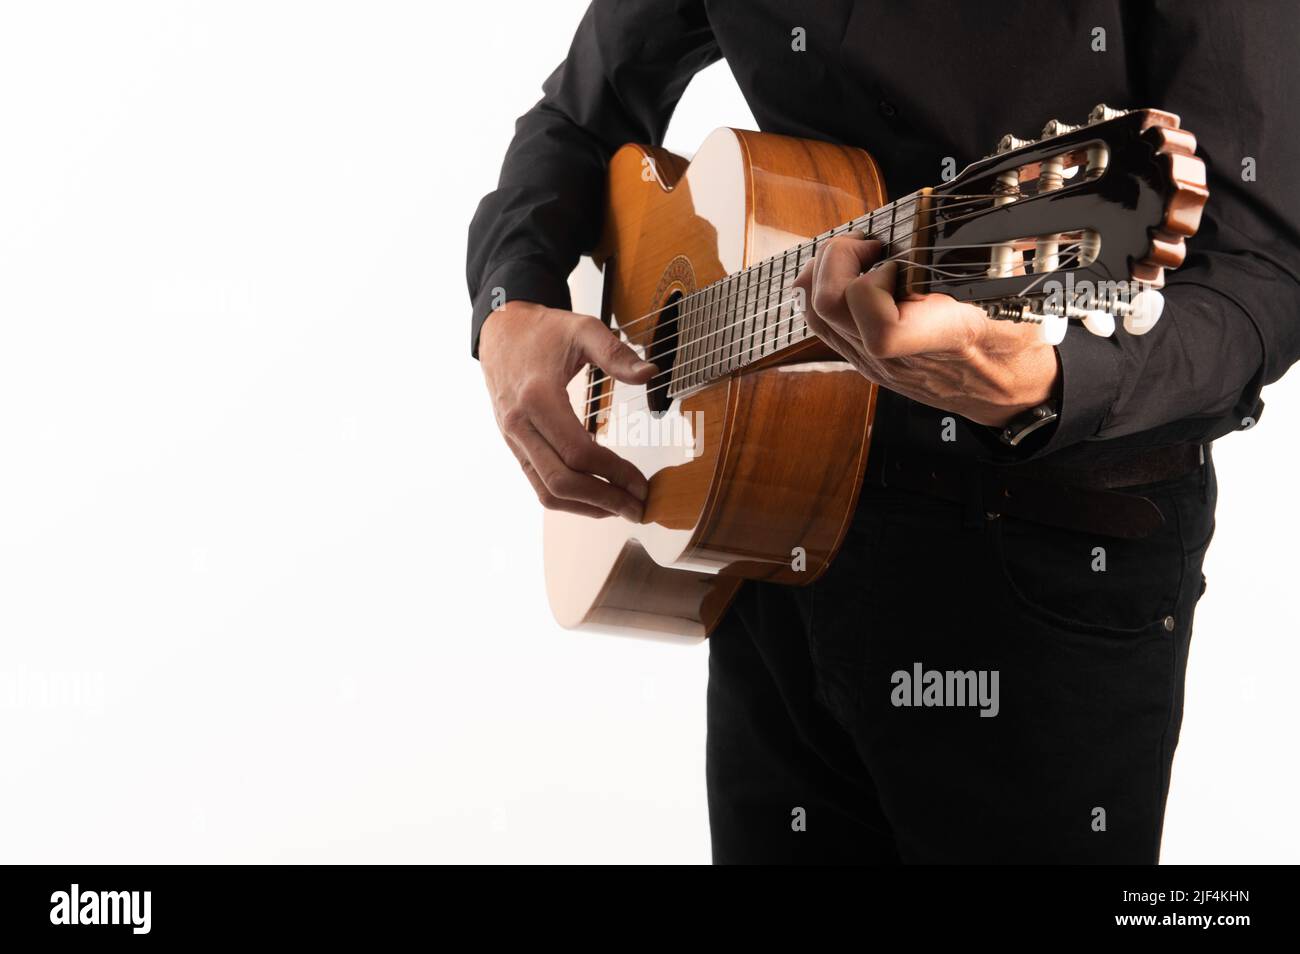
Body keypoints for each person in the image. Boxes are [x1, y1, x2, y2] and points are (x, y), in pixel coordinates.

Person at [467, 1, 1300, 863]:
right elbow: (576, 113)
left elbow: (1262, 275)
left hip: (1049, 560)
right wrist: (507, 303)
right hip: (770, 513)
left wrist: (1053, 382)